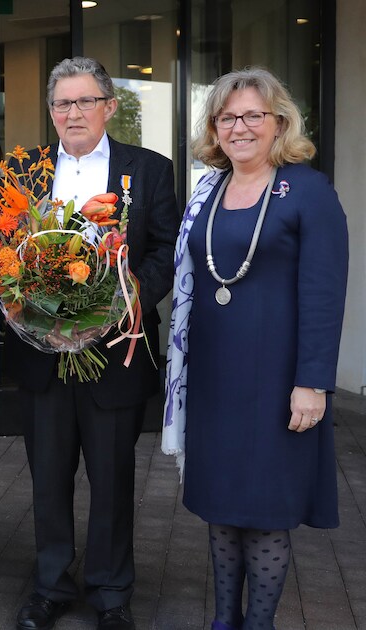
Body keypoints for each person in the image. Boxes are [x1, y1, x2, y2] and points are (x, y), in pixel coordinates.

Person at [161, 68, 348, 630]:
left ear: (279, 122)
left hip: (278, 379)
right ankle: (224, 621)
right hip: (216, 377)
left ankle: (258, 624)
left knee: (265, 510)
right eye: (226, 118)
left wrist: (313, 383)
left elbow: (324, 294)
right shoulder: (209, 189)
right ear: (214, 129)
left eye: (251, 116)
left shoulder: (308, 191)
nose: (238, 128)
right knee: (223, 506)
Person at [8, 57, 180, 630]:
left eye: (85, 101)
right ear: (52, 111)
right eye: (62, 103)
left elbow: (163, 251)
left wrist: (121, 300)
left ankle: (110, 592)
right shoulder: (24, 171)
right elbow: (4, 254)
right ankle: (51, 586)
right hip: (41, 353)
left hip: (115, 352)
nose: (73, 112)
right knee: (48, 477)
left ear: (109, 106)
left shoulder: (149, 170)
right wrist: (26, 301)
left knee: (111, 480)